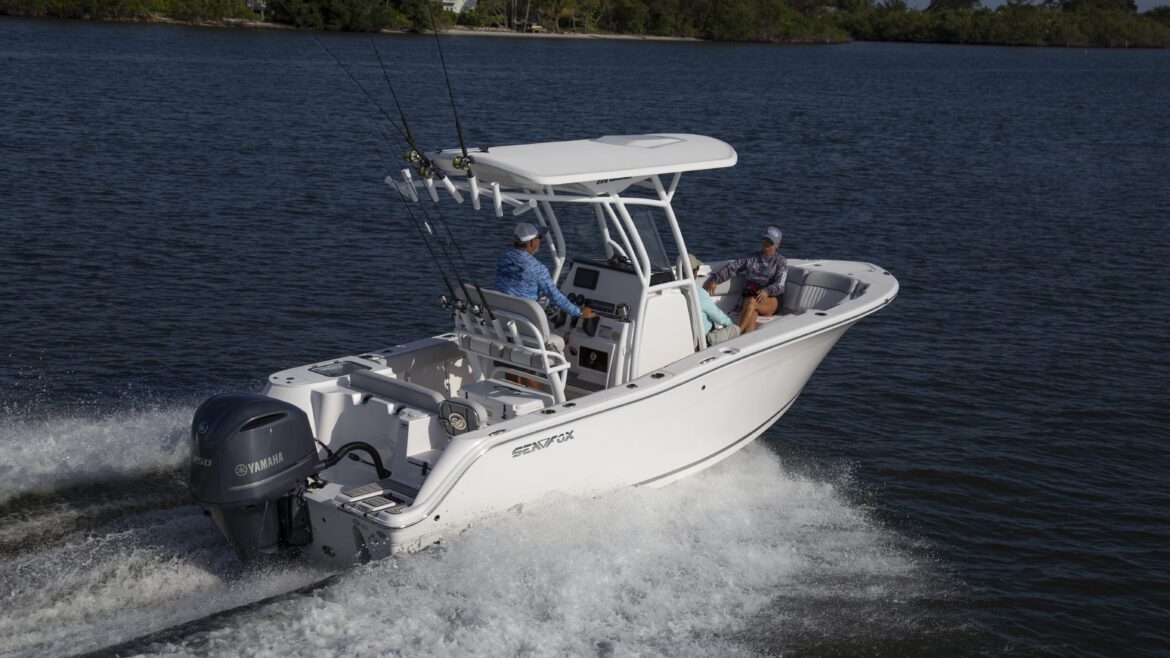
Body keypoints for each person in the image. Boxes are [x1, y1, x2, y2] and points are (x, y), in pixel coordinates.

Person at [496, 221, 596, 322]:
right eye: (539, 237)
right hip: (525, 322)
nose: (541, 240)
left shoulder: (503, 259)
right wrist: (580, 312)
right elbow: (555, 296)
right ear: (532, 242)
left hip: (502, 317)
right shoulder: (538, 268)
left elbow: (515, 285)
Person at [703, 226, 787, 334]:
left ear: (777, 245)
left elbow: (780, 284)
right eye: (766, 240)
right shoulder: (750, 258)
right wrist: (715, 280)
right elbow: (732, 268)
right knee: (751, 315)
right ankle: (744, 342)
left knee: (752, 302)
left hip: (771, 299)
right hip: (751, 296)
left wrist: (767, 290)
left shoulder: (781, 261)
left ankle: (735, 333)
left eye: (770, 242)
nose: (766, 243)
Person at [689, 254, 740, 346]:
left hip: (688, 337)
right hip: (704, 340)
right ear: (695, 272)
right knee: (735, 329)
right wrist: (730, 322)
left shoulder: (675, 290)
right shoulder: (699, 293)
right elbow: (719, 318)